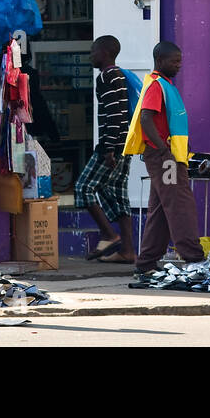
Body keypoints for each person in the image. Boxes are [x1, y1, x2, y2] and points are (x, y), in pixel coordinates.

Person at [123, 41, 205, 276]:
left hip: (166, 156)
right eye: (174, 61)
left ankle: (146, 262)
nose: (179, 65)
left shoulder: (164, 85)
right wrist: (164, 151)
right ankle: (194, 257)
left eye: (180, 60)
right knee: (180, 203)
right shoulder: (158, 86)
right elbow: (146, 119)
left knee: (160, 209)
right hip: (165, 158)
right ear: (160, 61)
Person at [77, 36, 134, 263]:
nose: (90, 55)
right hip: (124, 144)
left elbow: (115, 114)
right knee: (118, 195)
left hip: (112, 146)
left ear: (105, 53)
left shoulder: (107, 76)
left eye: (93, 51)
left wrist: (109, 148)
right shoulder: (117, 75)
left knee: (83, 187)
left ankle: (109, 235)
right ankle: (128, 251)